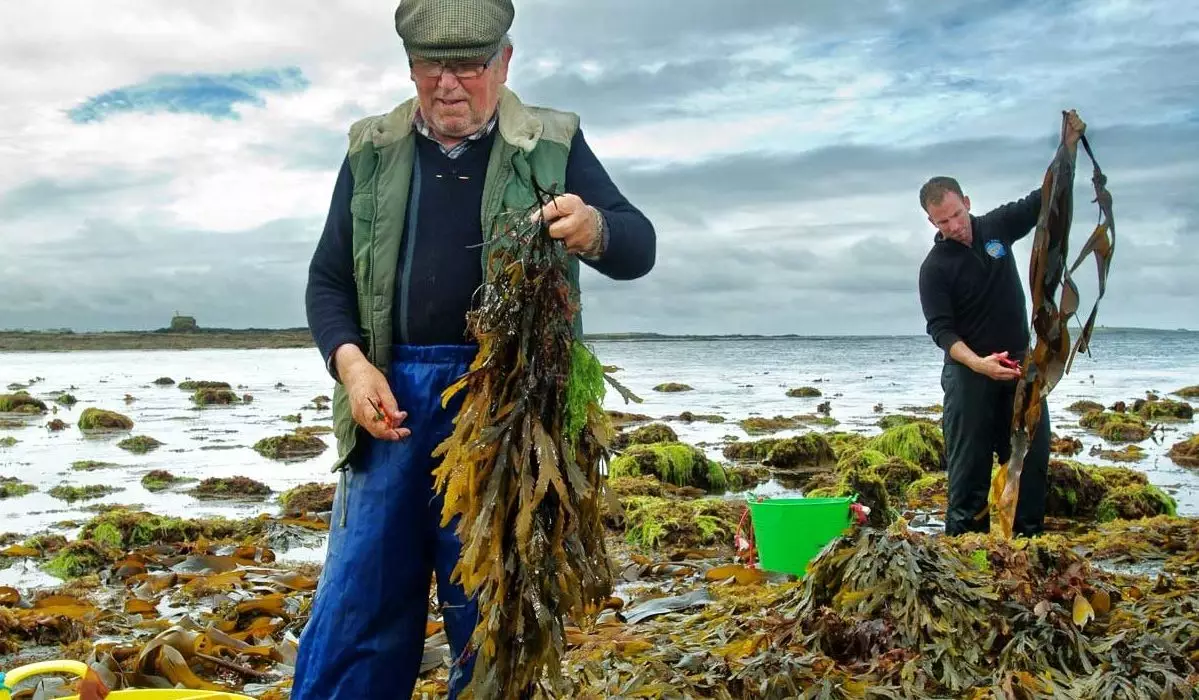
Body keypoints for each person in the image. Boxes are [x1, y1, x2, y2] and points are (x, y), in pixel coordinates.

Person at [291, 1, 656, 698]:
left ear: (505, 62)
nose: (448, 85)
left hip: (505, 411)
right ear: (410, 66)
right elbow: (327, 281)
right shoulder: (371, 148)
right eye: (431, 66)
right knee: (359, 604)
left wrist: (594, 228)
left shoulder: (551, 142)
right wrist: (351, 363)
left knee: (491, 611)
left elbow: (637, 246)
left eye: (468, 66)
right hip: (388, 403)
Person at [917, 110, 1086, 538]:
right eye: (943, 221)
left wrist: (1066, 150)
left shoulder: (995, 228)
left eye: (956, 214)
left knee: (1030, 460)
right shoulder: (934, 268)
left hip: (1018, 369)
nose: (954, 227)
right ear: (931, 222)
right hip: (969, 377)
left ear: (967, 203)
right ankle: (964, 553)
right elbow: (942, 332)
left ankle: (1027, 546)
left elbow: (1043, 200)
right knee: (968, 470)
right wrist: (978, 364)